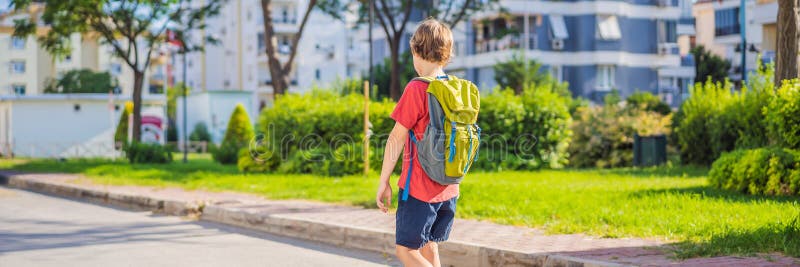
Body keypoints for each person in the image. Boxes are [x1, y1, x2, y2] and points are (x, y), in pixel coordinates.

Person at [375, 18, 463, 267]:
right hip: (448, 188)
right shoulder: (455, 89)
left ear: (415, 50)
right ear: (446, 54)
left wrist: (384, 182)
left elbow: (396, 138)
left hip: (418, 190)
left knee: (406, 251)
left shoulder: (417, 88)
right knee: (428, 246)